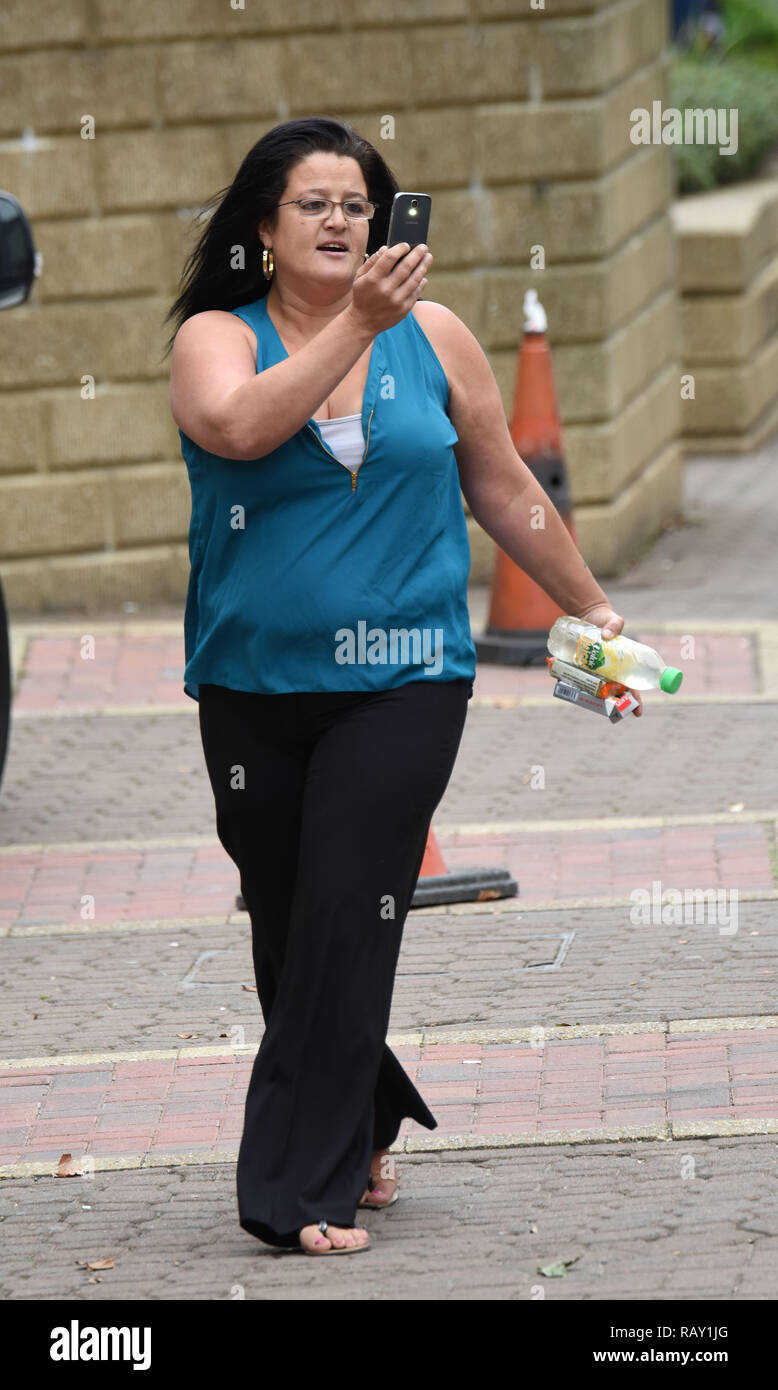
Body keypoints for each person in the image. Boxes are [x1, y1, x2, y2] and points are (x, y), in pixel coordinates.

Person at [163, 116, 642, 1257]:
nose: (341, 221)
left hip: (407, 677)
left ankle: (300, 1186)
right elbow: (238, 429)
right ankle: (365, 1104)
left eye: (357, 203)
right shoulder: (213, 341)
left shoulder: (433, 335)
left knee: (344, 906)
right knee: (287, 924)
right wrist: (350, 331)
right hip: (251, 686)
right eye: (314, 205)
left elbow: (502, 481)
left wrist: (589, 609)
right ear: (263, 230)